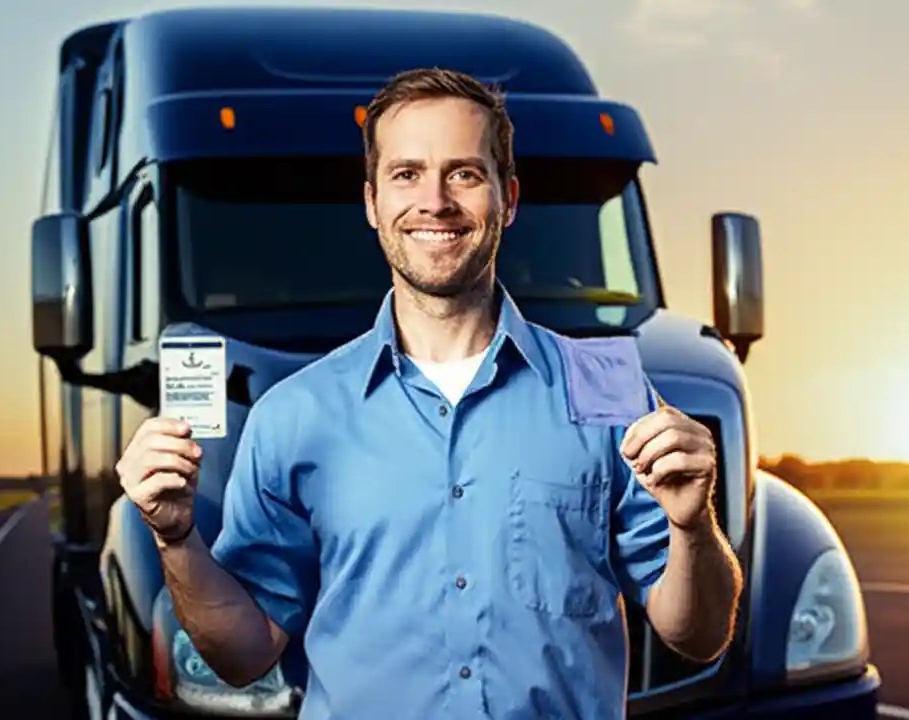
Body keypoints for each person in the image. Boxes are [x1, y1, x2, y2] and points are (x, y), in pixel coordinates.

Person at [116, 67, 743, 719]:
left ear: (509, 198)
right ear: (372, 202)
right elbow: (243, 654)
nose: (436, 201)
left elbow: (696, 637)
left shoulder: (608, 389)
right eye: (407, 173)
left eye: (465, 173)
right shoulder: (294, 416)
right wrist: (176, 539)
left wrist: (693, 527)